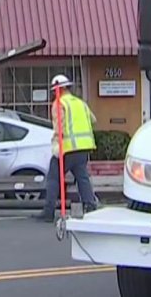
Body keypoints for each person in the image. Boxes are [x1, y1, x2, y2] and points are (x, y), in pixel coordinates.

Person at [34, 74, 99, 222]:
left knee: (53, 178)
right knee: (82, 178)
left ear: (58, 89)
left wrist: (56, 147)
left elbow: (59, 127)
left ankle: (49, 211)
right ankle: (89, 206)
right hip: (84, 148)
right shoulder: (80, 103)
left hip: (68, 148)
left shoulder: (59, 104)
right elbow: (93, 119)